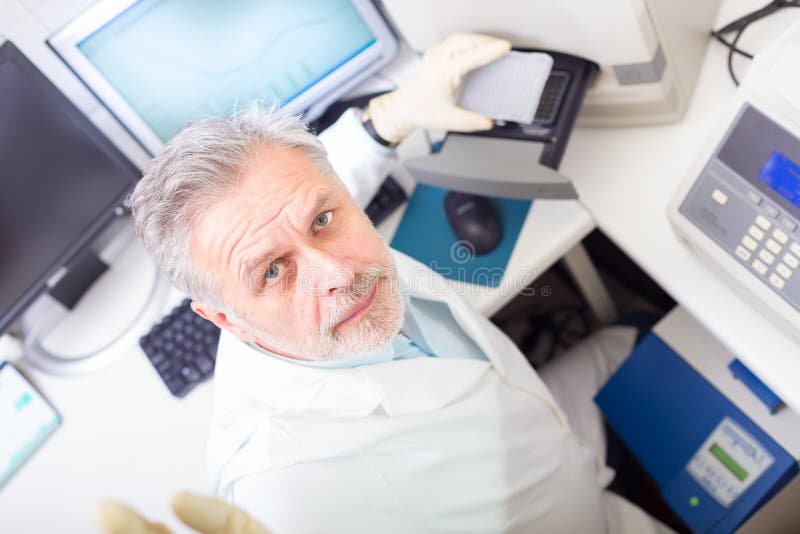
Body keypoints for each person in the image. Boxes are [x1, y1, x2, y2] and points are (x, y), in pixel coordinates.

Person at [111, 34, 671, 533]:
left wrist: (392, 115)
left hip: (556, 448)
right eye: (273, 272)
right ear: (222, 320)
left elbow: (302, 187)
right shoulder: (282, 486)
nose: (338, 274)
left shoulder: (300, 214)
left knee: (644, 331)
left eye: (324, 219)